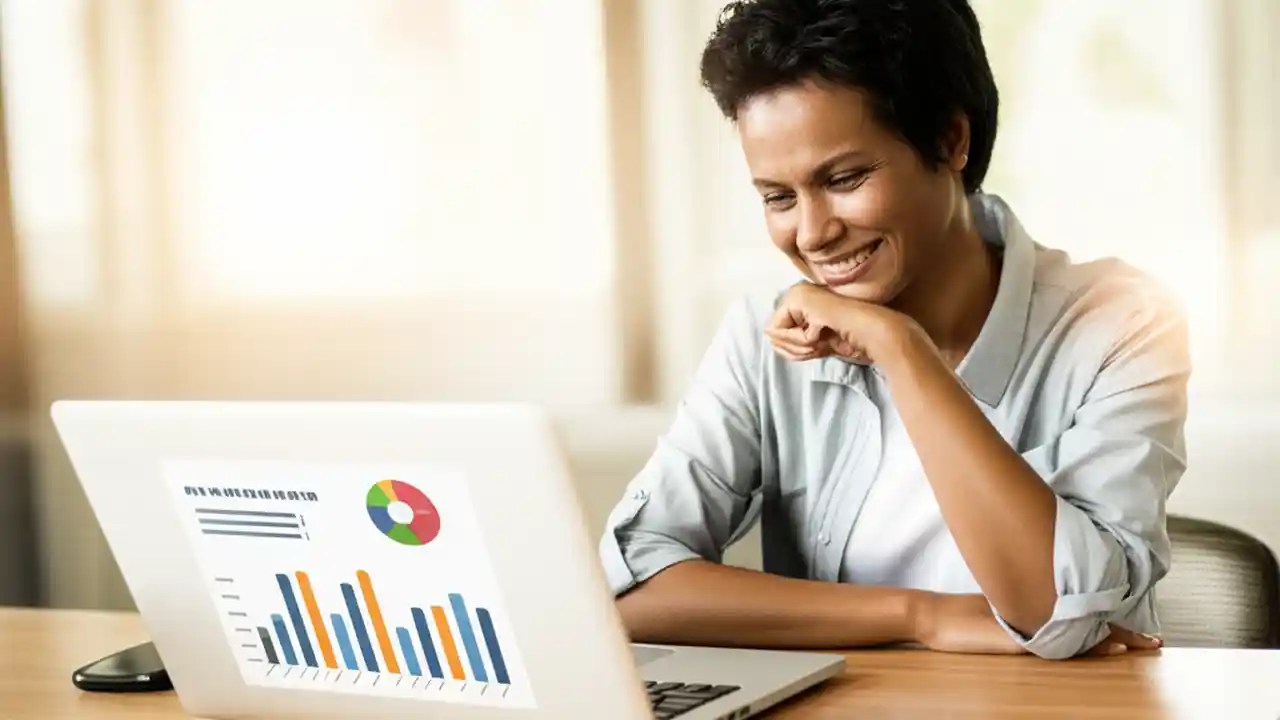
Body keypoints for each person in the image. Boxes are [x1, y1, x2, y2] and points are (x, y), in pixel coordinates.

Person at [598, 0, 1190, 660]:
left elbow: (1060, 616)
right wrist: (920, 616)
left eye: (844, 178)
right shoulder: (763, 334)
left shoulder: (1120, 324)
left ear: (951, 140)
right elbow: (630, 586)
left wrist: (901, 348)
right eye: (778, 197)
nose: (812, 234)